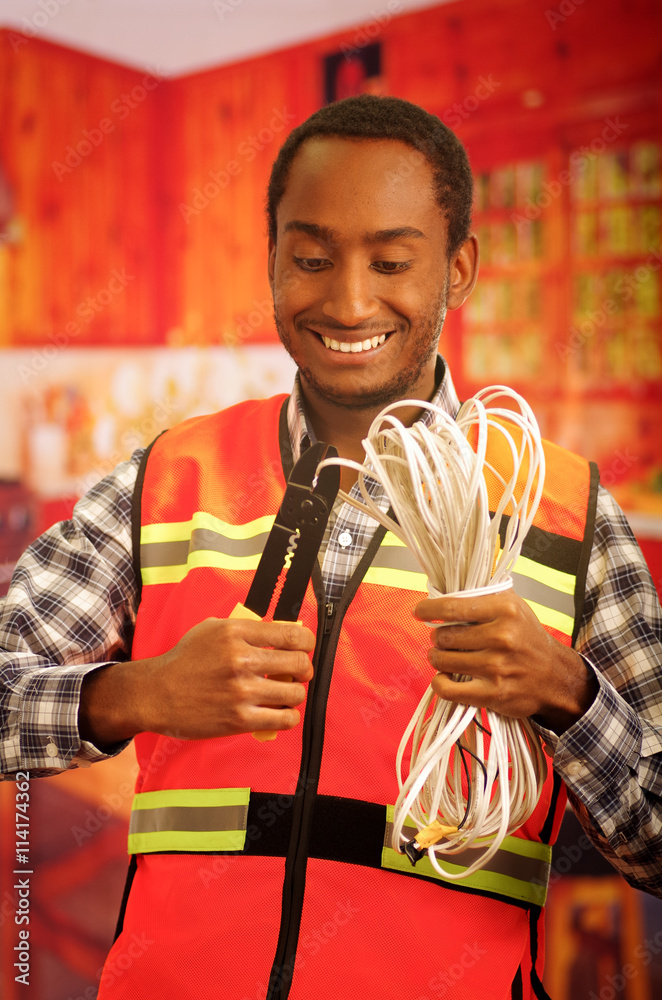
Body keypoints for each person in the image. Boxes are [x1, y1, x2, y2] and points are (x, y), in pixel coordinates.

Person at [1, 95, 661, 1000]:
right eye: (311, 259)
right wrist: (139, 692)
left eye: (392, 261)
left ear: (458, 268)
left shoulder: (570, 517)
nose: (349, 302)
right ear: (273, 259)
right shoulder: (168, 480)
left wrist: (570, 697)